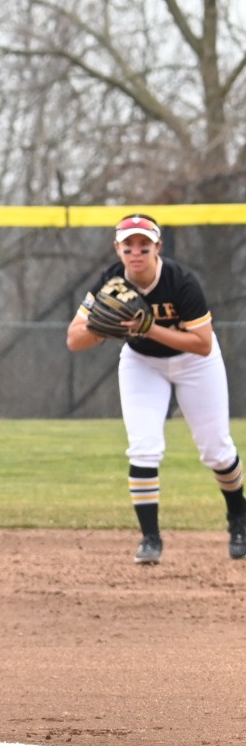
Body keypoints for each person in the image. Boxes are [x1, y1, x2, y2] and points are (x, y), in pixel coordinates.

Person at [67, 213, 246, 564]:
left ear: (157, 247)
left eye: (143, 245)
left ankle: (238, 518)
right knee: (143, 448)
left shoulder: (181, 282)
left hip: (195, 363)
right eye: (128, 245)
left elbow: (203, 344)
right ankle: (150, 539)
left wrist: (148, 327)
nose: (136, 252)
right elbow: (74, 339)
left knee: (217, 451)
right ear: (118, 249)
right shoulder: (111, 281)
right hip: (142, 363)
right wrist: (104, 329)